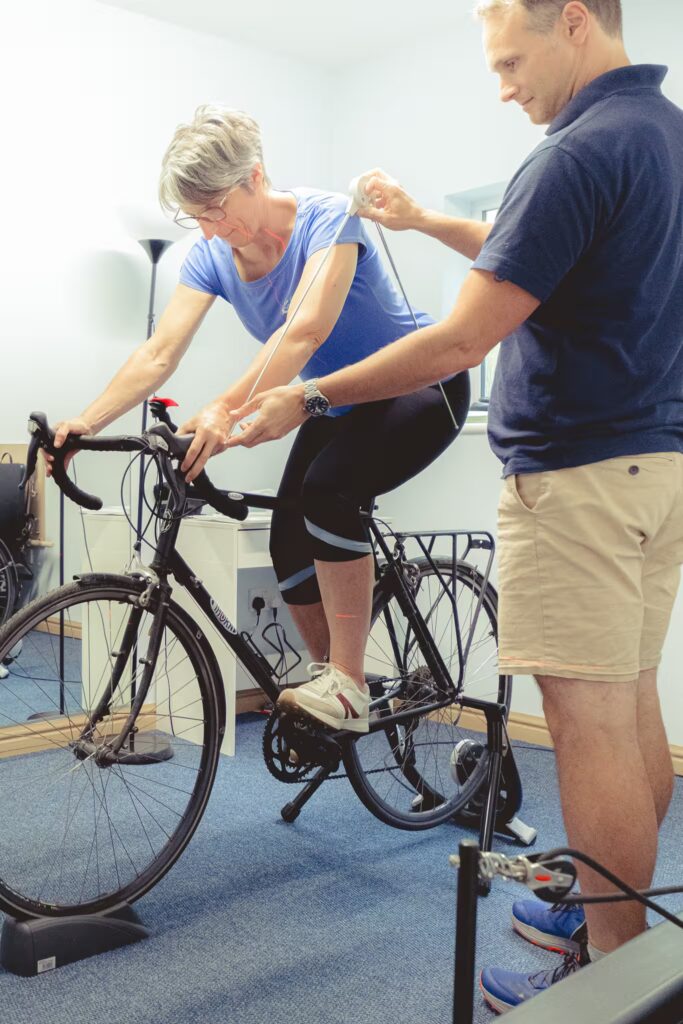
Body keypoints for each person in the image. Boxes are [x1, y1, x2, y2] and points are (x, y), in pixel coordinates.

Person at [224, 0, 683, 1011]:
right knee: (632, 700)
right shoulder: (657, 133)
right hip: (653, 465)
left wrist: (300, 394)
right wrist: (426, 218)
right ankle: (608, 909)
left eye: (510, 60)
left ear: (573, 22)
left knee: (589, 726)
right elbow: (536, 253)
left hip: (574, 478)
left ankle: (609, 972)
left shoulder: (572, 152)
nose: (502, 83)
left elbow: (456, 341)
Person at [48, 104, 470, 735]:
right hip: (338, 396)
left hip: (420, 384)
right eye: (197, 216)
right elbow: (159, 353)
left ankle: (349, 685)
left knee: (331, 491)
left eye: (217, 208)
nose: (211, 228)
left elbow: (304, 331)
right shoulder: (209, 256)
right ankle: (332, 682)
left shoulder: (329, 217)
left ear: (256, 177)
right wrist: (87, 420)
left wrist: (222, 409)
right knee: (286, 539)